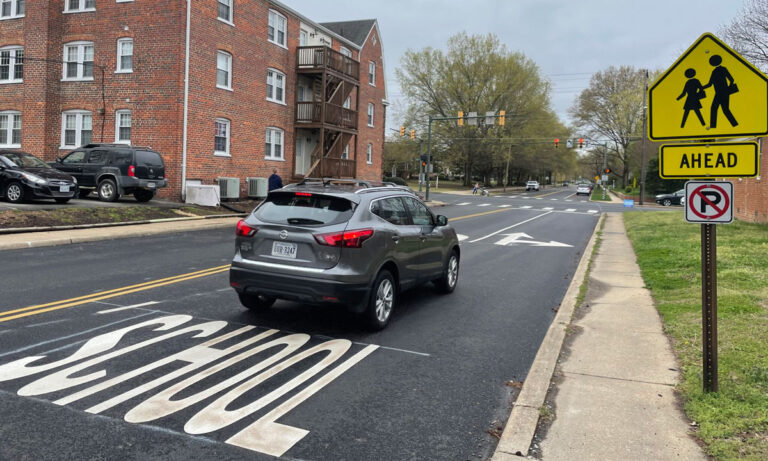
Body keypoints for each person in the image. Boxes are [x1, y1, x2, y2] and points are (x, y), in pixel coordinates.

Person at [702, 54, 738, 128]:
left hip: (723, 93)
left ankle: (734, 124)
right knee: (716, 108)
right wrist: (701, 88)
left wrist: (728, 89)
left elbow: (731, 79)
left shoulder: (721, 69)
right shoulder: (715, 71)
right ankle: (714, 126)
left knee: (723, 109)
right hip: (719, 93)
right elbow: (710, 84)